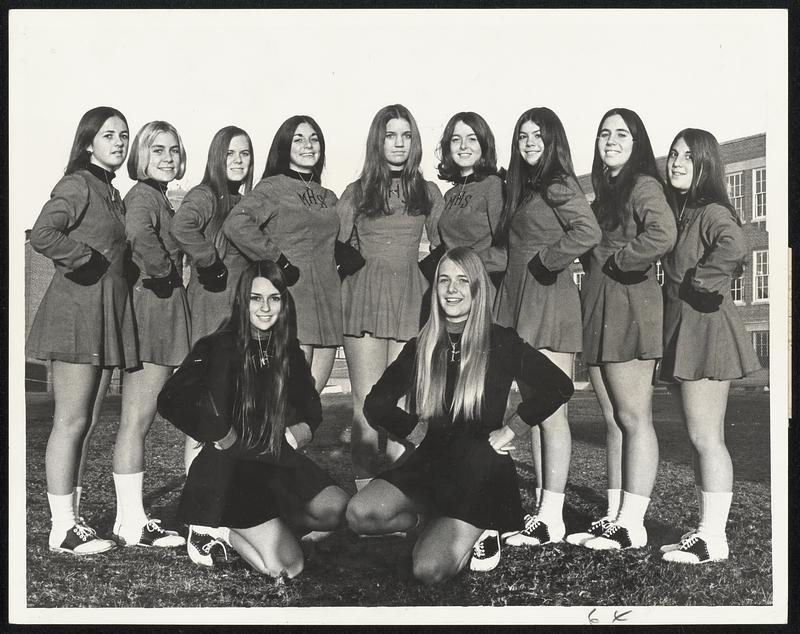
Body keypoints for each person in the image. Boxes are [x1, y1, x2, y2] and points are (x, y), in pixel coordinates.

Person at [346, 247, 574, 582]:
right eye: (444, 280)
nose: (452, 289)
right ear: (435, 289)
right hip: (431, 460)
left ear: (477, 289)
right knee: (359, 514)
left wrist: (512, 429)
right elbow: (376, 403)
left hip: (481, 468)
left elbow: (559, 386)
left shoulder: (501, 340)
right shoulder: (423, 344)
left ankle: (484, 527)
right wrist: (417, 431)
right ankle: (432, 522)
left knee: (428, 570)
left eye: (463, 280)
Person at [157, 260, 350, 577]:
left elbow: (310, 405)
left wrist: (304, 428)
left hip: (275, 460)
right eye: (255, 298)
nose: (265, 308)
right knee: (289, 567)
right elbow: (170, 398)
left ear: (283, 303)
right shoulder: (219, 345)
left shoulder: (287, 349)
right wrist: (220, 433)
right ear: (241, 301)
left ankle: (273, 530)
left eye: (274, 298)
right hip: (231, 469)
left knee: (340, 509)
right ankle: (221, 530)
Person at [27, 106, 137, 554]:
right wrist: (85, 258)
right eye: (109, 135)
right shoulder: (77, 184)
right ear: (88, 142)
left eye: (124, 135)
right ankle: (62, 528)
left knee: (87, 422)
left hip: (103, 316)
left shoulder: (112, 192)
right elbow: (43, 233)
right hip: (75, 314)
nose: (119, 142)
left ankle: (73, 521)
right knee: (70, 421)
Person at [566, 108, 677, 551]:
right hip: (598, 309)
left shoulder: (643, 185)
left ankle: (633, 523)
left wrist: (620, 261)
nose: (611, 140)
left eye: (621, 134)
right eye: (604, 133)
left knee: (633, 418)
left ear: (637, 143)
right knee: (613, 420)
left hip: (630, 307)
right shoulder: (603, 193)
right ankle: (613, 516)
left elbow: (662, 233)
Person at [493, 107, 601, 548]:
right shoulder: (524, 188)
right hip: (519, 302)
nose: (530, 142)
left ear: (553, 139)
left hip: (549, 301)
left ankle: (552, 515)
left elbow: (587, 230)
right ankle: (542, 509)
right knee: (534, 410)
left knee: (551, 412)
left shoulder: (557, 182)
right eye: (523, 135)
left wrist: (547, 260)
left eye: (538, 135)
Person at [658, 128, 761, 563]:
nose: (677, 162)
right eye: (673, 154)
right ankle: (704, 530)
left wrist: (703, 281)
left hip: (706, 330)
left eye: (688, 156)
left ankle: (713, 538)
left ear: (706, 165)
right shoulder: (683, 211)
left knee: (707, 437)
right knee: (698, 437)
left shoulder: (713, 210)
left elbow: (736, 244)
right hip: (686, 330)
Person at [336, 104, 444, 489]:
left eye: (406, 135)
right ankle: (365, 496)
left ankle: (398, 497)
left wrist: (423, 277)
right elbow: (333, 245)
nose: (399, 143)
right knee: (366, 404)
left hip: (410, 299)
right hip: (364, 299)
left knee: (402, 404)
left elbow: (447, 244)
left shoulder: (427, 192)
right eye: (390, 136)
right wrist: (356, 266)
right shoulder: (356, 192)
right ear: (377, 142)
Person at [112, 121, 191, 548]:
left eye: (173, 150)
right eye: (157, 149)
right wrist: (162, 271)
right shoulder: (143, 195)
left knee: (140, 418)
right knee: (137, 420)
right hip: (152, 309)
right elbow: (138, 232)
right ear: (141, 156)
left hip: (164, 309)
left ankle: (130, 518)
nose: (167, 157)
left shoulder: (159, 196)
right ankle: (130, 521)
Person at [224, 116, 341, 393]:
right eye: (298, 139)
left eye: (314, 139)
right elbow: (236, 223)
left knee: (312, 400)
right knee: (286, 396)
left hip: (327, 301)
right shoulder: (273, 187)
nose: (308, 145)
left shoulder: (329, 196)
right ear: (285, 146)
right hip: (292, 297)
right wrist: (278, 261)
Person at [172, 126, 255, 475]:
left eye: (244, 154)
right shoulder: (206, 195)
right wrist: (209, 261)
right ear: (216, 158)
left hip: (239, 311)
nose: (237, 161)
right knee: (205, 405)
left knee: (234, 408)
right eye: (229, 154)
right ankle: (196, 498)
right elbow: (181, 225)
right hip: (211, 308)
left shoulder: (247, 201)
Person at [432, 111, 505, 287]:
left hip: (480, 283)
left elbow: (505, 251)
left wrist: (465, 265)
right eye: (456, 139)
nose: (463, 146)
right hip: (450, 284)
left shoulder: (494, 186)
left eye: (472, 139)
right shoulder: (450, 194)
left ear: (484, 144)